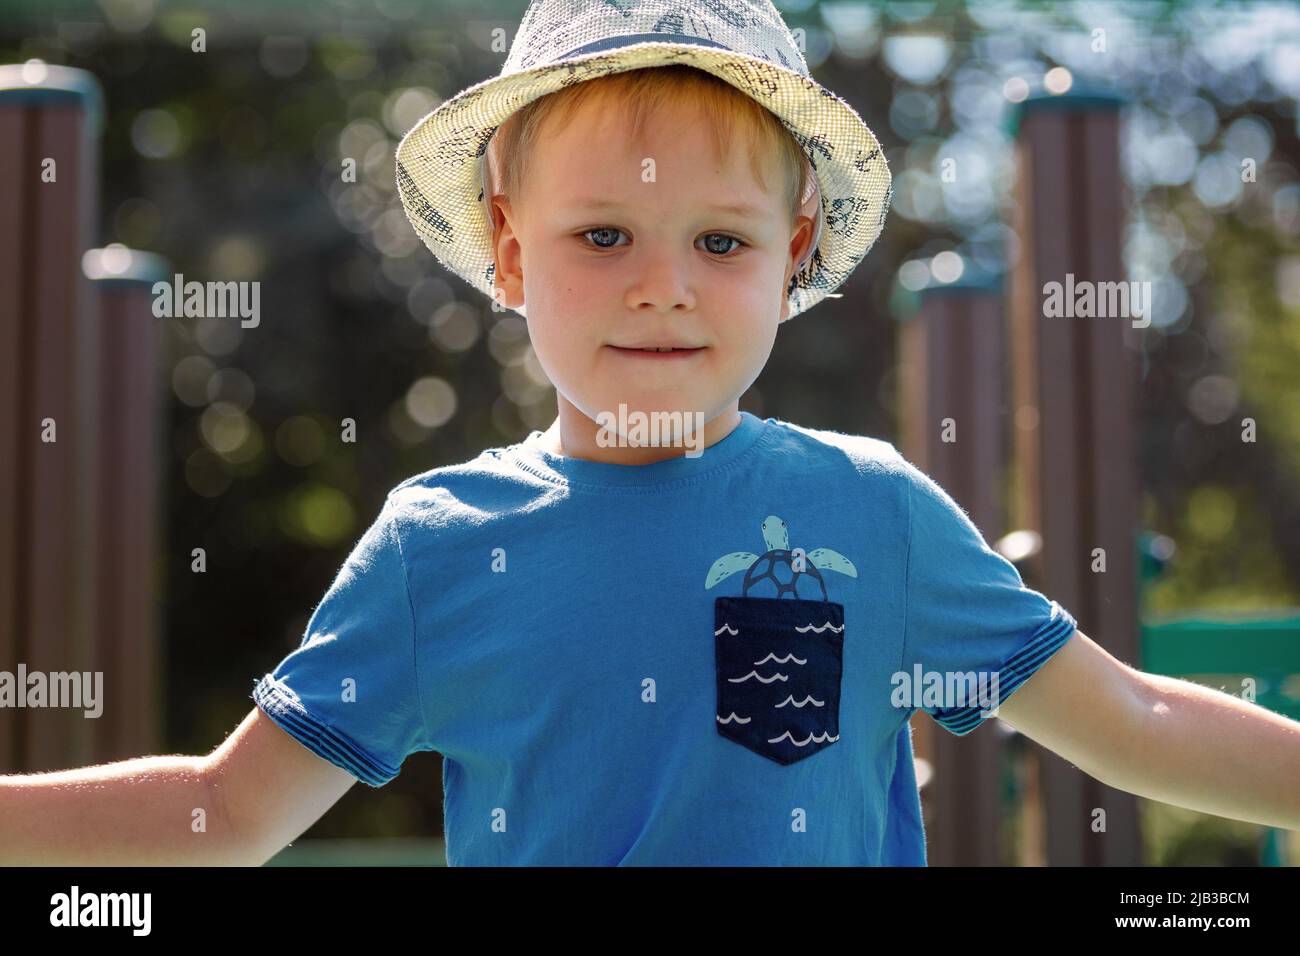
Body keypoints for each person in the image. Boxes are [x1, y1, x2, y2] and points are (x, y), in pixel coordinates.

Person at [4, 0, 1297, 866]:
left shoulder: (874, 514)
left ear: (792, 259)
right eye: (603, 235)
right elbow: (227, 813)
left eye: (721, 242)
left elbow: (1126, 719)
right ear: (512, 253)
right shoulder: (439, 549)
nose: (663, 285)